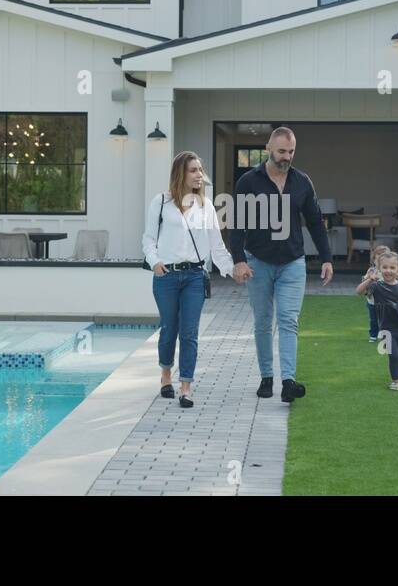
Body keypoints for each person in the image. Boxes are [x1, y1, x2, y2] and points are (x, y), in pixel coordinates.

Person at [230, 126, 334, 403]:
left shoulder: (302, 182)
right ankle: (267, 377)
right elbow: (237, 225)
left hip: (292, 263)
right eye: (281, 151)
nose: (286, 157)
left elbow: (315, 222)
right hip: (258, 263)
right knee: (263, 322)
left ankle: (288, 381)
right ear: (268, 149)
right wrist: (238, 260)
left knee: (288, 320)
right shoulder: (248, 182)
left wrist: (326, 258)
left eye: (290, 152)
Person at [142, 151, 234, 409]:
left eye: (200, 170)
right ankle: (165, 376)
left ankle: (186, 386)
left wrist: (232, 269)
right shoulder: (160, 202)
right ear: (180, 173)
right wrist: (155, 262)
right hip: (166, 276)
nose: (199, 175)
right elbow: (148, 239)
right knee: (169, 328)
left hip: (195, 276)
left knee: (190, 332)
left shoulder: (206, 208)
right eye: (194, 170)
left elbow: (217, 247)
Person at [357, 251, 398, 390]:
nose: (388, 271)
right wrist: (370, 279)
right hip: (385, 328)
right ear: (379, 268)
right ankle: (396, 381)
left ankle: (397, 366)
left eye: (392, 267)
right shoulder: (377, 286)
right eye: (385, 267)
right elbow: (358, 291)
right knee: (394, 356)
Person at [363, 245, 391, 342]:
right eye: (377, 259)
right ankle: (373, 335)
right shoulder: (371, 270)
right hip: (372, 301)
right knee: (374, 320)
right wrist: (368, 279)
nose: (379, 262)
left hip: (386, 301)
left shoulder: (389, 271)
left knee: (385, 320)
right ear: (373, 259)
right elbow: (364, 280)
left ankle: (385, 335)